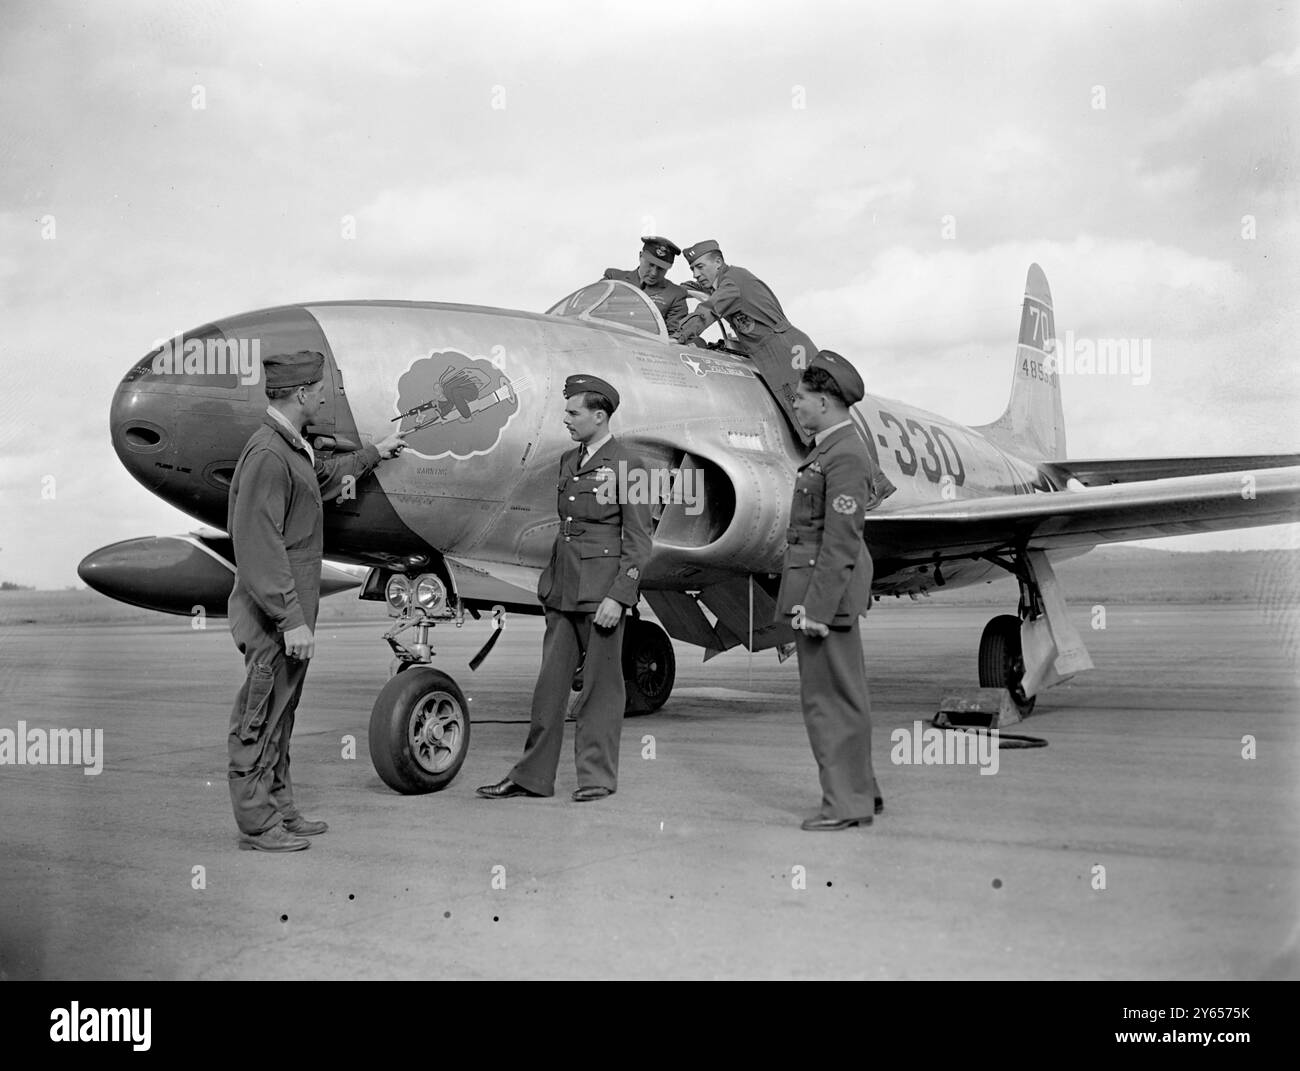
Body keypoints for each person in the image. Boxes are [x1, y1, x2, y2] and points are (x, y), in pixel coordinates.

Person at [226, 351, 406, 852]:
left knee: (281, 715)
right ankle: (257, 824)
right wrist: (290, 619)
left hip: (292, 617)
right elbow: (259, 547)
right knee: (258, 717)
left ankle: (280, 808)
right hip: (275, 620)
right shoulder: (267, 455)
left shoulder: (291, 450)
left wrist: (375, 452)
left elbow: (325, 478)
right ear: (302, 393)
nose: (326, 395)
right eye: (321, 388)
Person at [478, 374, 653, 803]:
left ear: (599, 415)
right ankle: (532, 777)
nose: (566, 420)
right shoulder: (568, 462)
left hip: (601, 597)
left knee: (600, 692)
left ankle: (596, 777)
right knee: (548, 690)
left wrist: (620, 595)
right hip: (562, 589)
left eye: (573, 413)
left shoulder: (631, 466)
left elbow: (639, 539)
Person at [777, 350, 888, 831]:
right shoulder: (831, 449)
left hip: (827, 596)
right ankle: (862, 791)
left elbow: (841, 538)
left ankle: (845, 804)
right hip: (820, 590)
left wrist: (817, 608)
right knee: (843, 695)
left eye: (800, 398)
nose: (795, 405)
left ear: (824, 401)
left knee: (830, 701)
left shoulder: (843, 454)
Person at [676, 240, 820, 443]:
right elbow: (705, 291)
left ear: (718, 262)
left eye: (700, 267)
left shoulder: (731, 282)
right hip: (781, 349)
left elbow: (709, 310)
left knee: (812, 427)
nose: (695, 274)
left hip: (784, 353)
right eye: (692, 269)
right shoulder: (730, 278)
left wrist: (678, 337)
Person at [603, 236, 690, 338]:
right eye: (650, 265)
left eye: (661, 268)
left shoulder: (676, 294)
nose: (654, 273)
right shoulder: (614, 278)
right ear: (640, 256)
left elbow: (674, 338)